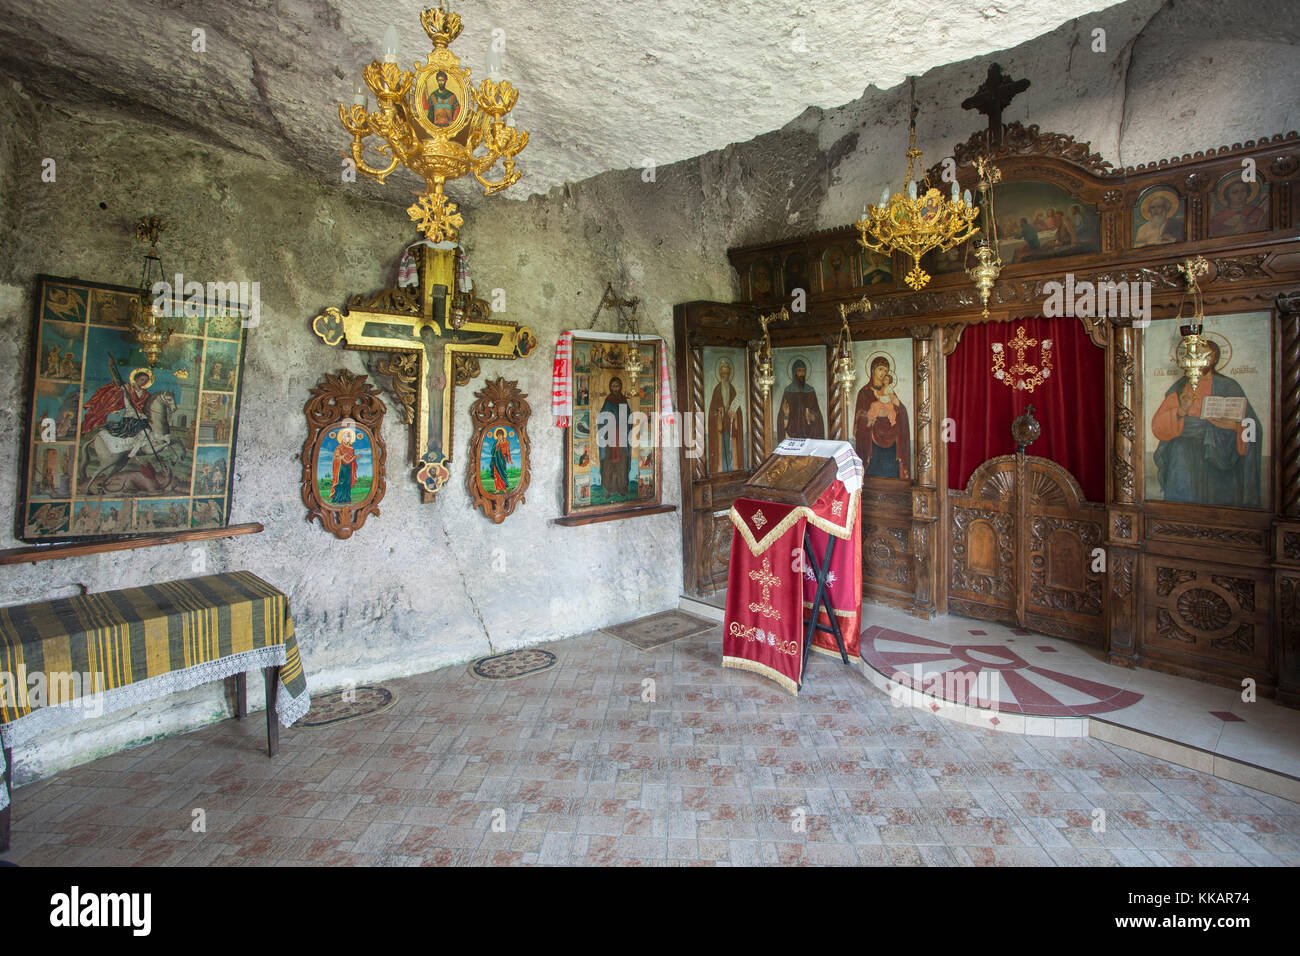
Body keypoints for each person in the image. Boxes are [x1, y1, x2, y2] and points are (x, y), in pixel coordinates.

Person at [1150, 340, 1260, 507]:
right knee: (1183, 505)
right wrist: (1180, 411)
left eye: (1203, 356)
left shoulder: (1229, 386)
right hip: (1183, 457)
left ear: (1214, 358)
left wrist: (1234, 427)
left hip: (1219, 453)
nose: (1197, 360)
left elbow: (1252, 425)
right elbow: (1158, 426)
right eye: (1193, 355)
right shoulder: (1180, 387)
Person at [854, 357, 911, 479]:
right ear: (873, 370)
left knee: (891, 474)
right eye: (880, 369)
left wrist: (894, 410)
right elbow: (860, 418)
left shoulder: (890, 392)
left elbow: (901, 410)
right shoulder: (864, 393)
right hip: (872, 442)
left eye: (886, 371)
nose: (883, 373)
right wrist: (873, 416)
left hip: (892, 443)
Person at [707, 358, 745, 472]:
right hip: (720, 426)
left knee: (730, 450)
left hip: (731, 426)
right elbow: (711, 412)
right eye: (723, 373)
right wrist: (719, 413)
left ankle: (732, 469)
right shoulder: (717, 390)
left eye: (727, 373)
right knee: (721, 451)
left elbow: (738, 410)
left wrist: (735, 415)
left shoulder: (732, 389)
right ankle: (721, 470)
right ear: (720, 374)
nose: (725, 375)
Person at [598, 377, 633, 498]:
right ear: (610, 387)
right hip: (610, 438)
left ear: (621, 387)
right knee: (609, 463)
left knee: (622, 462)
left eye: (617, 386)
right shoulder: (608, 401)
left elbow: (629, 416)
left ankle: (622, 487)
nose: (615, 388)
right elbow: (602, 418)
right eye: (613, 386)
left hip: (622, 437)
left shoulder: (623, 400)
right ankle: (609, 488)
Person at [778, 359, 825, 441]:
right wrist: (785, 415)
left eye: (803, 371)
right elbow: (782, 414)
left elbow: (818, 415)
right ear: (794, 372)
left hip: (809, 433)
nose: (801, 374)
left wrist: (813, 417)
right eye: (799, 370)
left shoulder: (810, 390)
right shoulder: (788, 391)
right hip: (792, 433)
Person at [329, 427, 359, 504]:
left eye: (349, 436)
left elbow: (351, 458)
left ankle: (347, 498)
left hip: (349, 468)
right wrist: (340, 457)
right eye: (346, 436)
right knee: (341, 482)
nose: (348, 438)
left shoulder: (351, 448)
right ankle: (339, 499)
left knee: (347, 482)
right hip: (341, 468)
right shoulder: (339, 447)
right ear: (343, 438)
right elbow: (336, 456)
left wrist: (354, 458)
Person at [489, 427, 513, 492]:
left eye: (500, 435)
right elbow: (492, 451)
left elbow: (508, 451)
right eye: (498, 436)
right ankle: (498, 489)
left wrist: (509, 459)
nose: (499, 437)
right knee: (496, 474)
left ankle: (504, 488)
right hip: (496, 461)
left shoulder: (506, 442)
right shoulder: (496, 442)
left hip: (502, 460)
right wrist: (497, 445)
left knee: (503, 473)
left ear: (503, 435)